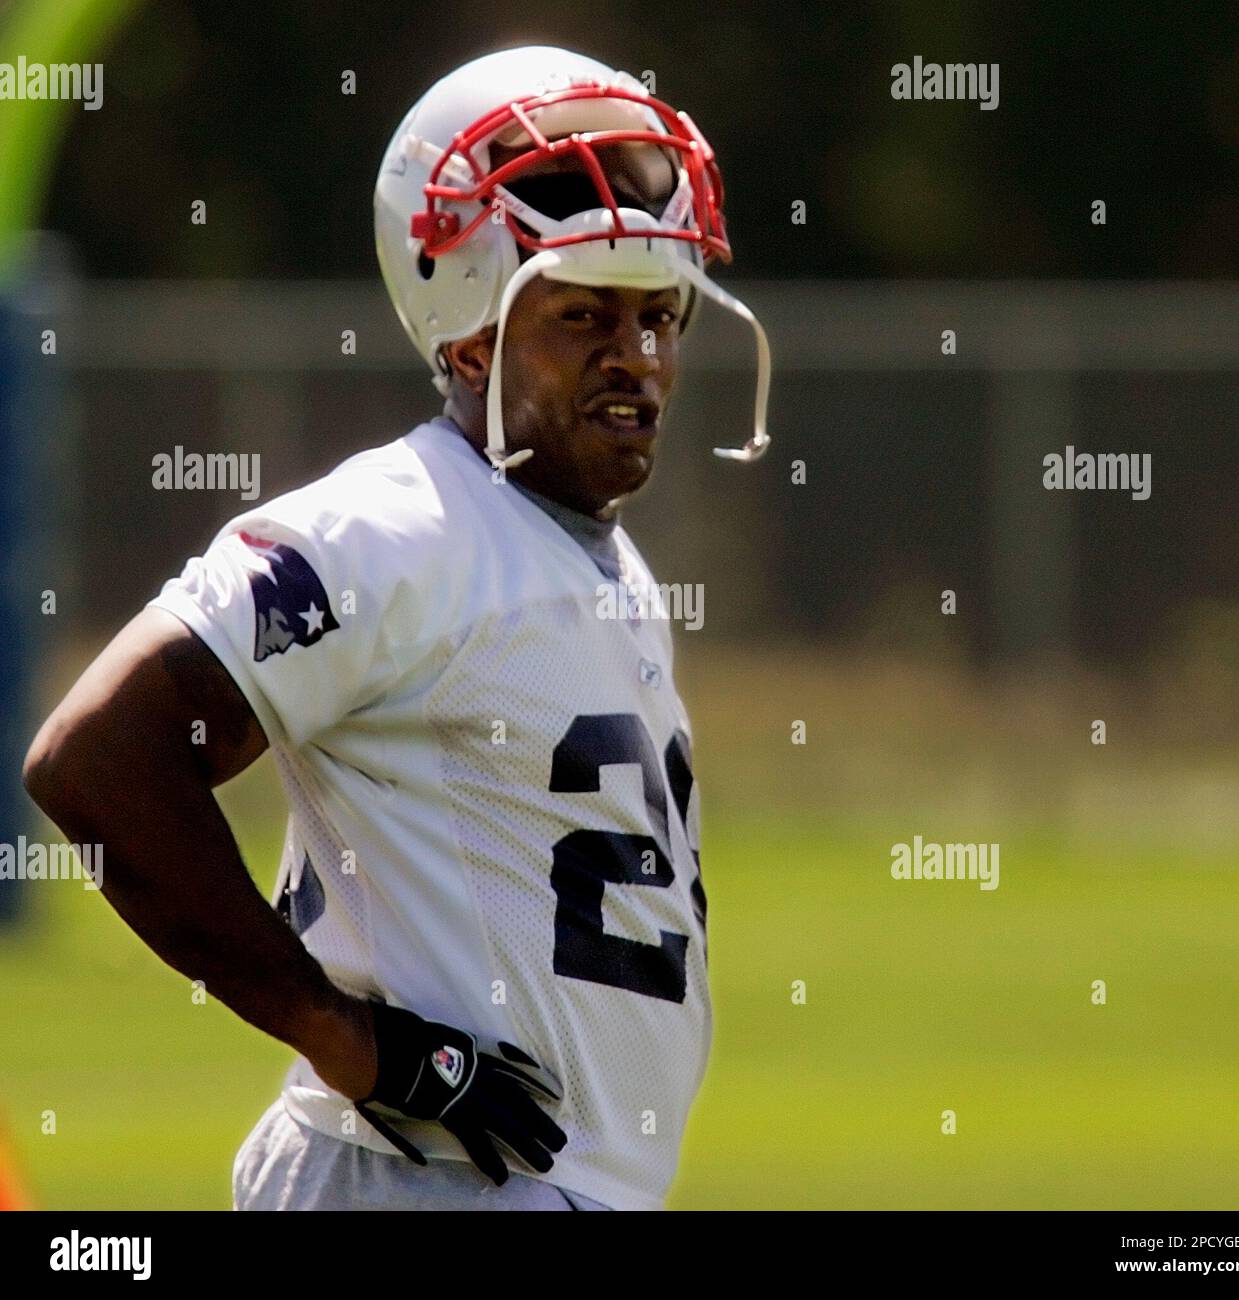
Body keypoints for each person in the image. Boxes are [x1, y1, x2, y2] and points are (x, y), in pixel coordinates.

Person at [23, 44, 769, 1212]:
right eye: (582, 315)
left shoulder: (585, 548)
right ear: (468, 339)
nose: (639, 357)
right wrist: (346, 1036)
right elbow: (97, 757)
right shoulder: (400, 528)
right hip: (422, 1179)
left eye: (657, 313)